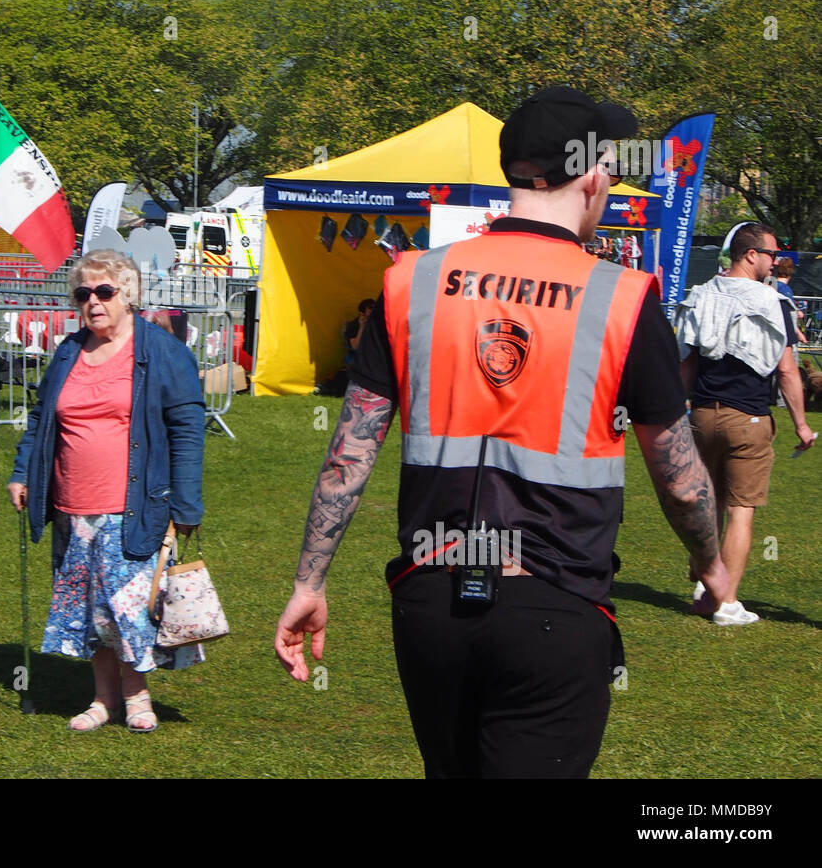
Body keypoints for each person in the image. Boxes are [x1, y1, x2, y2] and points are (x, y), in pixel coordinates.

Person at [274, 85, 731, 779]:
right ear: (593, 176)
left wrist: (310, 580)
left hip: (430, 599)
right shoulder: (622, 297)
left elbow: (350, 453)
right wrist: (710, 560)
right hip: (555, 601)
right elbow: (679, 473)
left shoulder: (411, 281)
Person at [9, 248, 205, 733]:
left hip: (133, 508)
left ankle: (137, 698)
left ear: (128, 294)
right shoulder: (68, 352)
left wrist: (186, 504)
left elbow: (187, 429)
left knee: (128, 608)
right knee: (90, 610)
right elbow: (40, 419)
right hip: (71, 509)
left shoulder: (162, 352)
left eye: (104, 291)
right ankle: (102, 699)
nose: (93, 302)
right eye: (83, 293)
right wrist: (22, 472)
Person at [674, 223, 814, 626]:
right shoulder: (773, 301)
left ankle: (705, 584)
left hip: (702, 414)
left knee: (708, 502)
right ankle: (727, 603)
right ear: (751, 254)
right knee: (740, 509)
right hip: (748, 416)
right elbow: (786, 371)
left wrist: (678, 409)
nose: (776, 261)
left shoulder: (701, 293)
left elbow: (686, 361)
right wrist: (801, 425)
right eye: (772, 253)